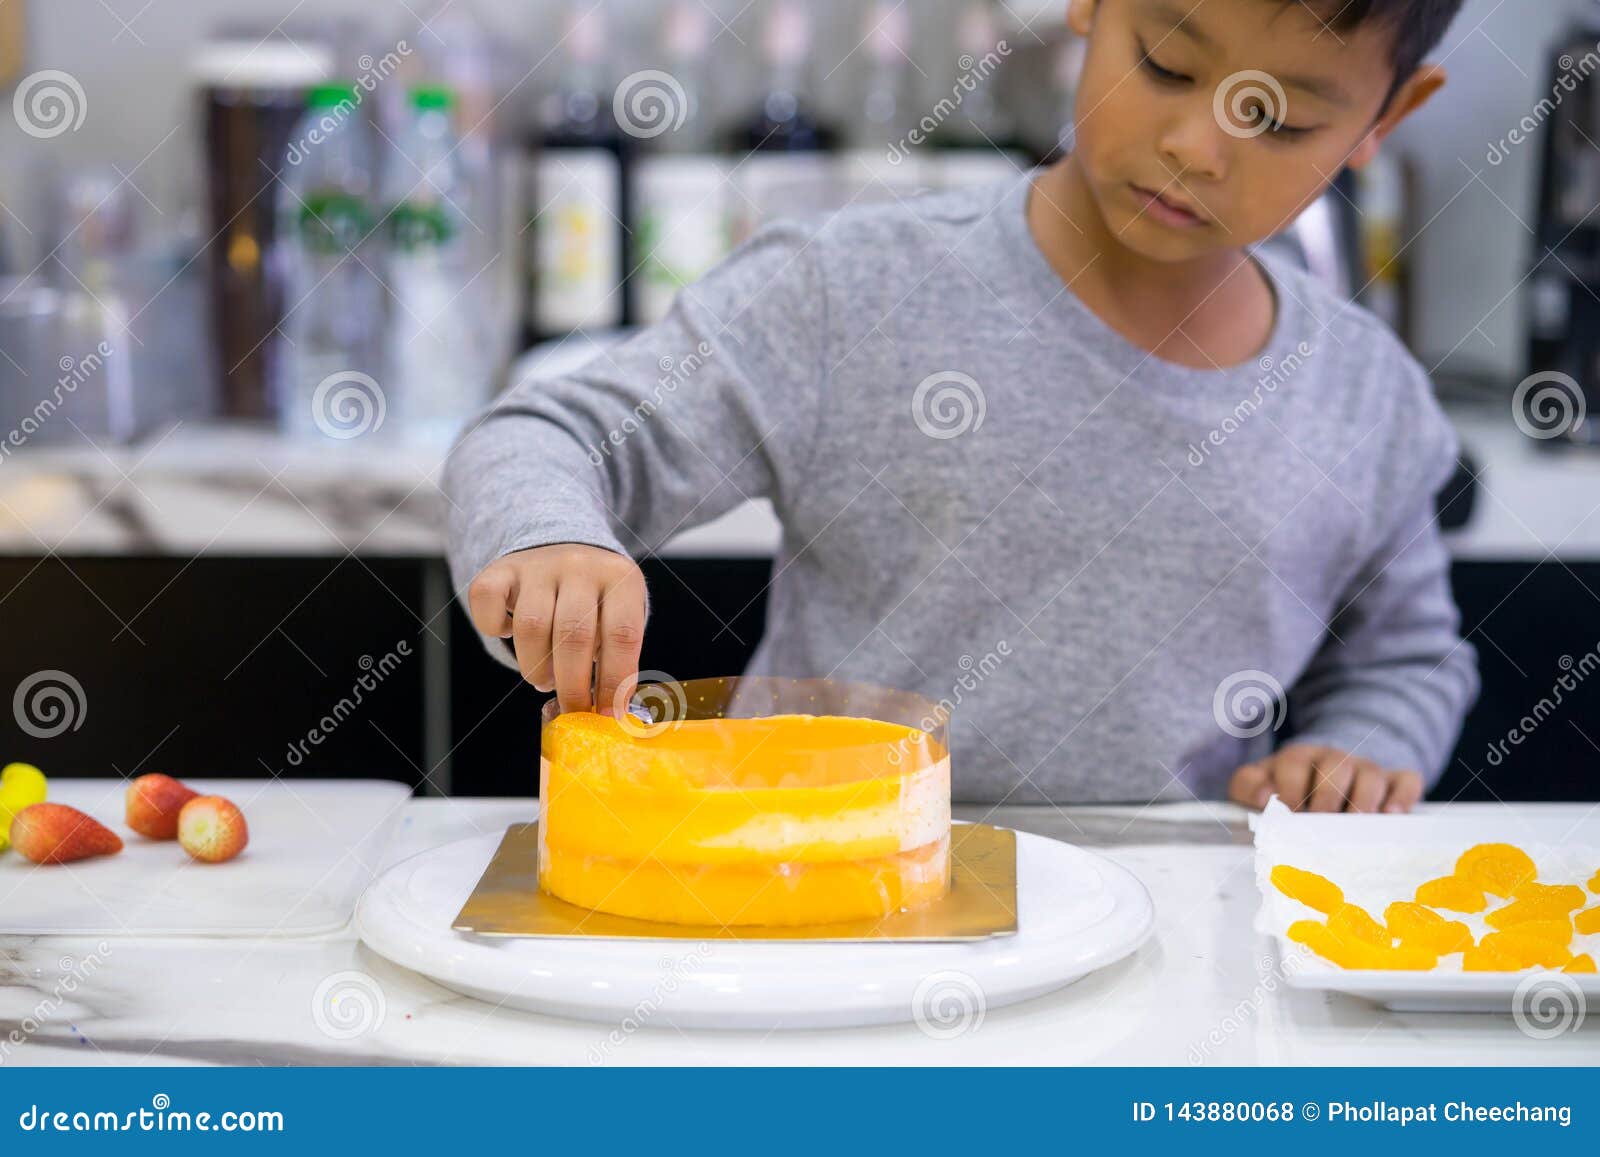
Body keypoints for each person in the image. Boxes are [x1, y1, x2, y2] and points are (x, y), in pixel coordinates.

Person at [445, 0, 1477, 812]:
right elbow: (548, 433)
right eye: (1164, 61)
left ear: (1383, 118)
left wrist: (1362, 749)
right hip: (818, 883)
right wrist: (550, 538)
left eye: (1279, 118)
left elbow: (1405, 653)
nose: (1197, 146)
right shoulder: (846, 287)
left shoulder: (1363, 393)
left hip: (1165, 934)